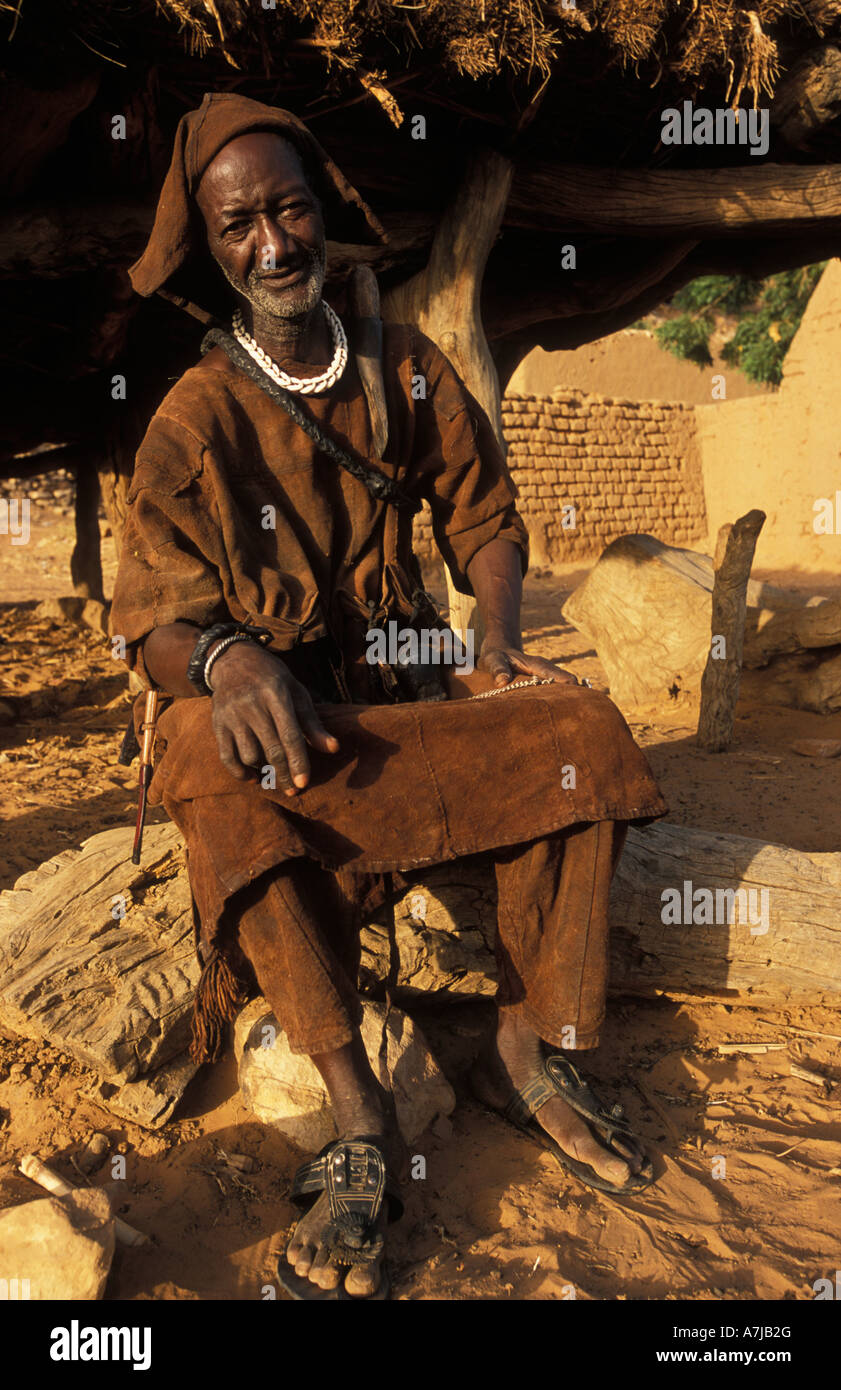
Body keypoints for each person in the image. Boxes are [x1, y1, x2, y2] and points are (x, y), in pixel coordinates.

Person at [110, 92, 668, 1300]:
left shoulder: (403, 369)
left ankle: (528, 1046)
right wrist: (223, 661)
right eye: (238, 225)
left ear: (325, 212)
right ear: (211, 246)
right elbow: (149, 612)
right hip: (284, 736)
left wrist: (498, 638)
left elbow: (484, 516)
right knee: (203, 751)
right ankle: (359, 1109)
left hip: (401, 697)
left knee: (575, 723)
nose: (272, 245)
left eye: (289, 209)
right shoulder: (194, 416)